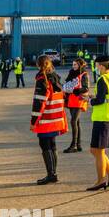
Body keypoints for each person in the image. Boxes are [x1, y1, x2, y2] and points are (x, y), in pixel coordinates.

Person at [86, 54, 109, 191]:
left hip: (103, 118)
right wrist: (93, 97)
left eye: (96, 66)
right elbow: (106, 97)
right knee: (95, 149)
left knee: (98, 150)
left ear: (101, 66)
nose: (95, 68)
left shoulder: (102, 80)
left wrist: (89, 100)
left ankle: (101, 180)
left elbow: (100, 100)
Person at [31, 55, 68, 185]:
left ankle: (51, 174)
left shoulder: (42, 79)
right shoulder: (55, 77)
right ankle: (53, 172)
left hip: (46, 119)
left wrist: (33, 121)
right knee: (52, 145)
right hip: (56, 118)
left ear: (38, 65)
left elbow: (39, 102)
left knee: (45, 145)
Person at [62, 57, 91, 153]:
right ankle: (78, 145)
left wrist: (75, 90)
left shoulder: (84, 74)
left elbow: (86, 88)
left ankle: (73, 145)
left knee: (73, 121)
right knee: (77, 122)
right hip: (71, 99)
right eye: (73, 64)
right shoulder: (71, 73)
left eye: (75, 65)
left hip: (79, 99)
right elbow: (67, 84)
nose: (73, 66)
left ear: (80, 65)